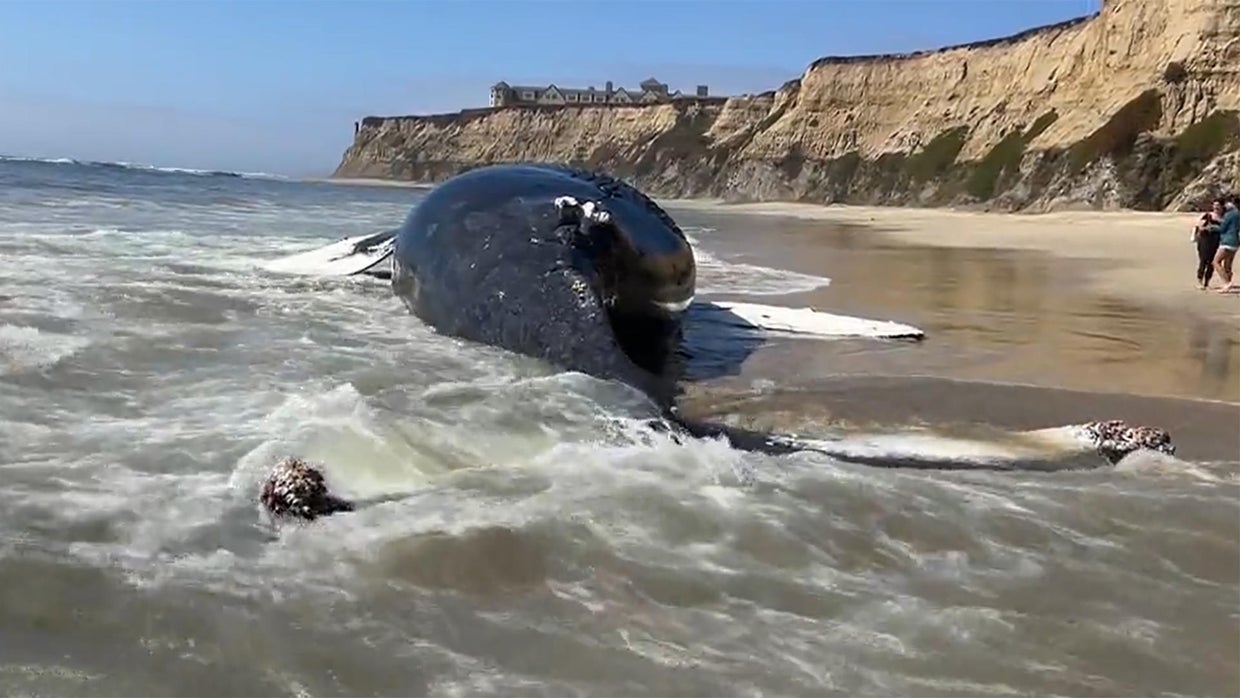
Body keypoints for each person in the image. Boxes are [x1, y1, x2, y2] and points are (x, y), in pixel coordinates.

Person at [1192, 199, 1224, 289]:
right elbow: (1199, 226)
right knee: (1203, 261)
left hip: (1216, 241)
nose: (1216, 207)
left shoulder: (1224, 218)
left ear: (1222, 207)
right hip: (1204, 240)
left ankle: (1207, 282)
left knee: (1212, 262)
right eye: (1215, 205)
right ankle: (1200, 281)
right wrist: (1206, 228)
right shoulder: (1208, 215)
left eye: (1218, 205)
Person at [1213, 194, 1240, 294]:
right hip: (1236, 241)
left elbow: (1222, 229)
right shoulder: (1238, 213)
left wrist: (1212, 227)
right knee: (1228, 264)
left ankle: (1226, 283)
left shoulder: (1230, 214)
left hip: (1227, 241)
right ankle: (1228, 283)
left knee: (1216, 262)